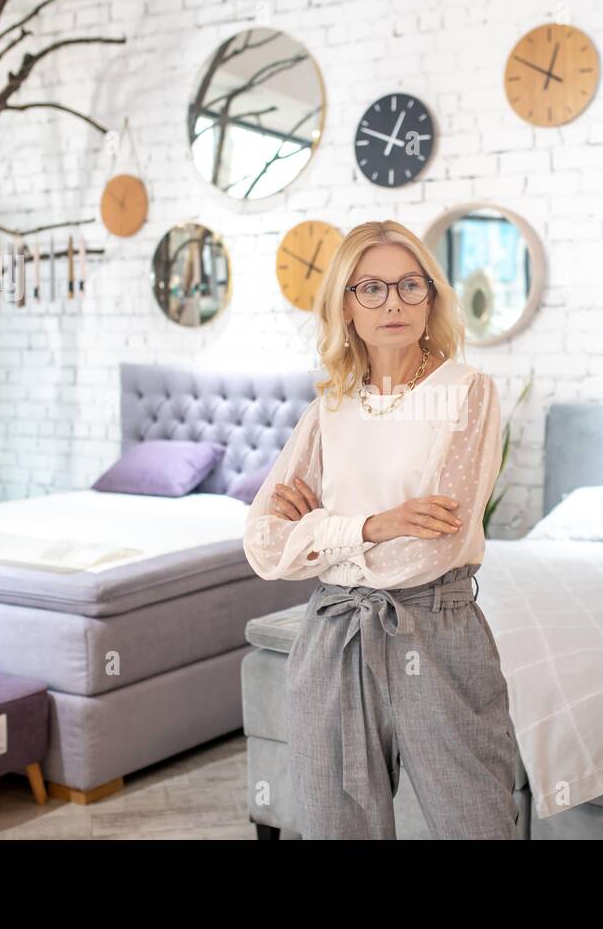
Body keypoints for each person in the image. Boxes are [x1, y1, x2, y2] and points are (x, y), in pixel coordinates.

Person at [243, 220, 521, 839]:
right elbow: (264, 542)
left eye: (408, 286)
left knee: (474, 820)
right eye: (370, 288)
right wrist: (374, 524)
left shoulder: (466, 393)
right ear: (345, 304)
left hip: (436, 629)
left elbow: (431, 549)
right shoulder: (330, 407)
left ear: (431, 297)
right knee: (336, 824)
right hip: (333, 632)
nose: (392, 303)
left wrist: (321, 530)